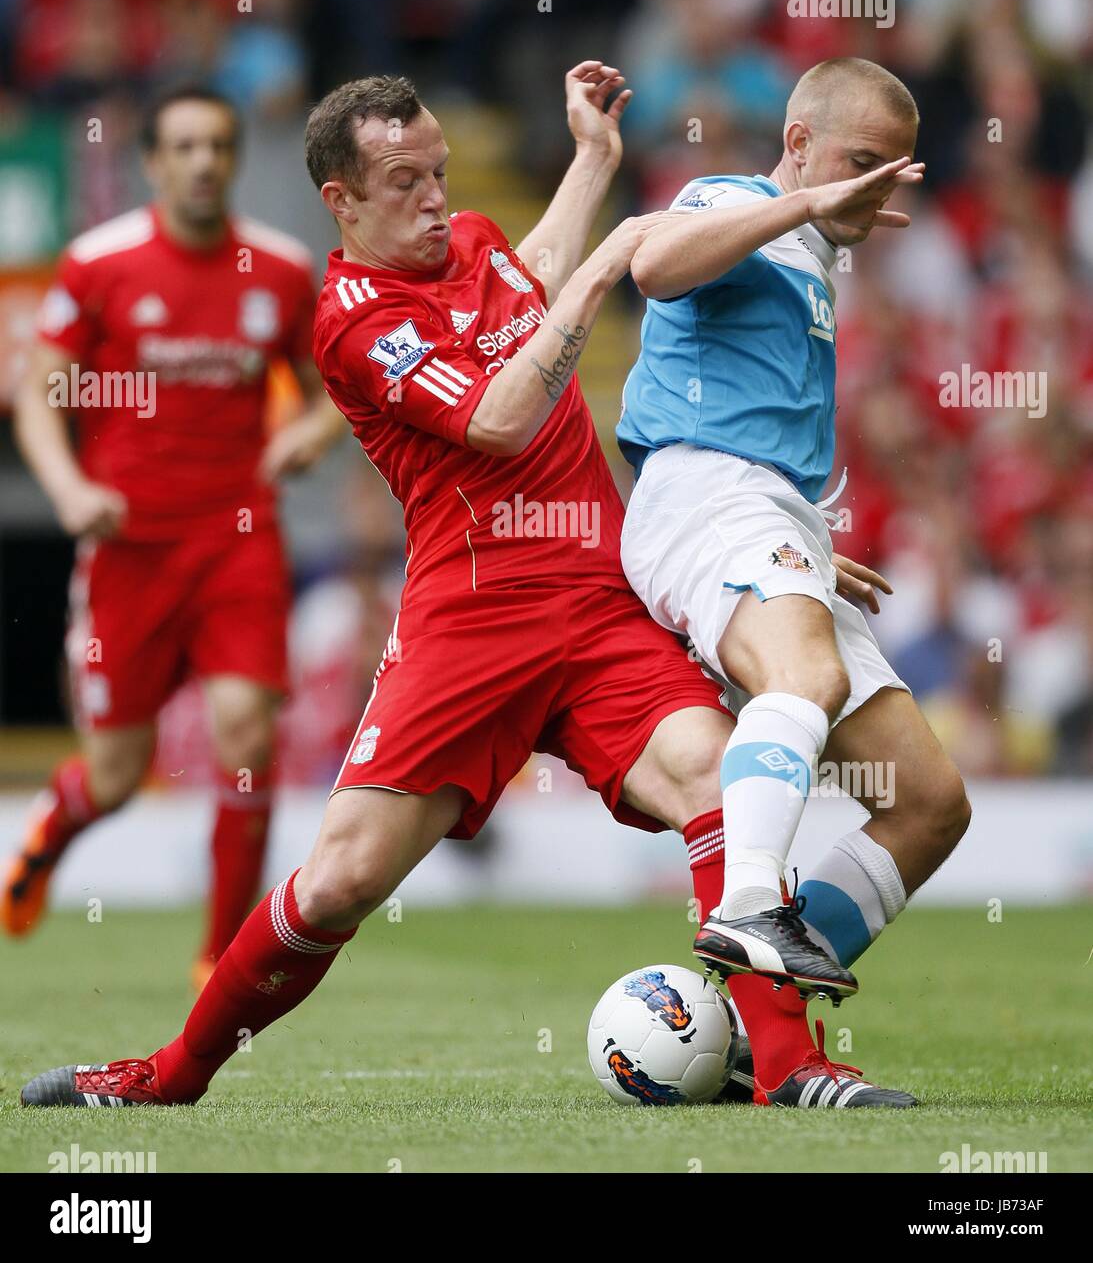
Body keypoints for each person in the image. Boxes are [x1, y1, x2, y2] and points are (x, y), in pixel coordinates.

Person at [19, 63, 914, 1112]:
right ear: (340, 202)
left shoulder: (475, 242)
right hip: (469, 617)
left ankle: (789, 1067)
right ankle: (168, 1076)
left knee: (719, 778)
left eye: (441, 171)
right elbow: (497, 412)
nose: (438, 198)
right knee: (343, 878)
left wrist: (593, 163)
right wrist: (612, 259)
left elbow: (522, 287)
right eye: (406, 182)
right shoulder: (349, 319)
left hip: (592, 598)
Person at [617, 57, 971, 1093]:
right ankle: (744, 906)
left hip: (774, 517)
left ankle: (747, 1037)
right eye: (859, 163)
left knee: (927, 801)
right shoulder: (734, 199)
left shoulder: (811, 251)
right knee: (801, 683)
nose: (874, 188)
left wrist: (810, 542)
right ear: (801, 141)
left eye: (892, 173)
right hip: (703, 497)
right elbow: (655, 266)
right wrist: (801, 201)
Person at [4, 86, 345, 989]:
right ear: (153, 163)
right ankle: (51, 834)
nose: (202, 162)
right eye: (184, 147)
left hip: (237, 541)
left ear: (232, 160)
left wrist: (304, 438)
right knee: (117, 774)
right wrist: (71, 488)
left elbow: (327, 394)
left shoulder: (276, 271)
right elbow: (39, 394)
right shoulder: (97, 264)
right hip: (129, 548)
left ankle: (219, 958)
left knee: (246, 731)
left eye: (217, 146)